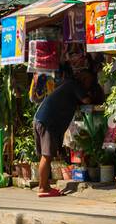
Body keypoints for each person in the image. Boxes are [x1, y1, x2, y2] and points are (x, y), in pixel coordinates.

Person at [34, 68, 100, 198]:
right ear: (84, 79)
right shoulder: (74, 84)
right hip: (48, 121)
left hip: (40, 119)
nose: (89, 85)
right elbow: (86, 100)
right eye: (89, 82)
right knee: (46, 156)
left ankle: (45, 186)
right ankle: (42, 188)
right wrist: (93, 96)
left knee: (45, 155)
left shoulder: (67, 85)